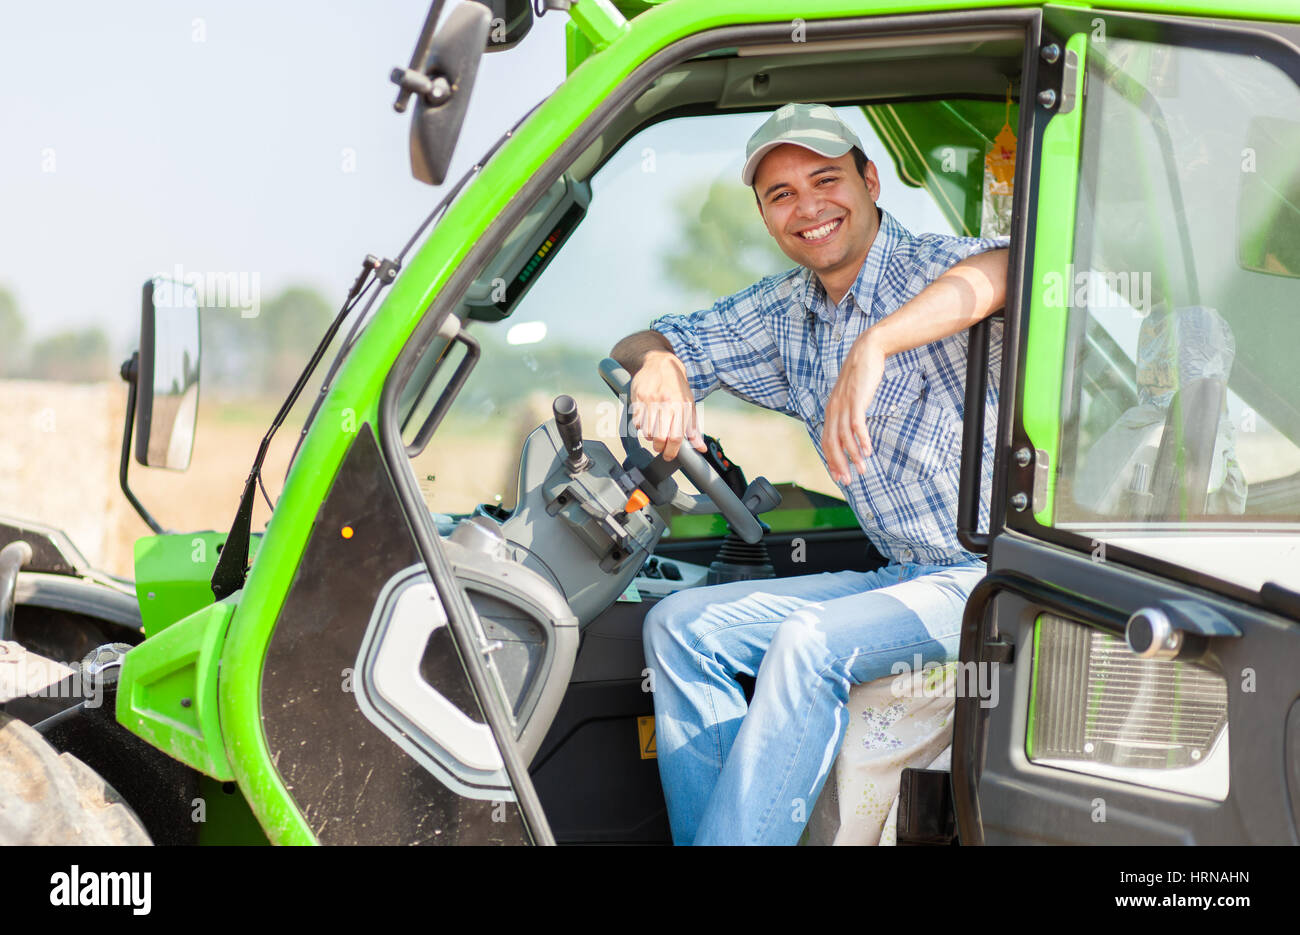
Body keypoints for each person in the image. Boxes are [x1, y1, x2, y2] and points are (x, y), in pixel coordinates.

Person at [610, 103, 1009, 846]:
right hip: (902, 573)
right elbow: (650, 337)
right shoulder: (786, 313)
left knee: (806, 644)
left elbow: (1009, 268)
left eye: (825, 180)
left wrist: (877, 345)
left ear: (871, 181)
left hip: (987, 582)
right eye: (781, 194)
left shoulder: (930, 265)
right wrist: (662, 366)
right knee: (678, 627)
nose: (808, 207)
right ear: (765, 216)